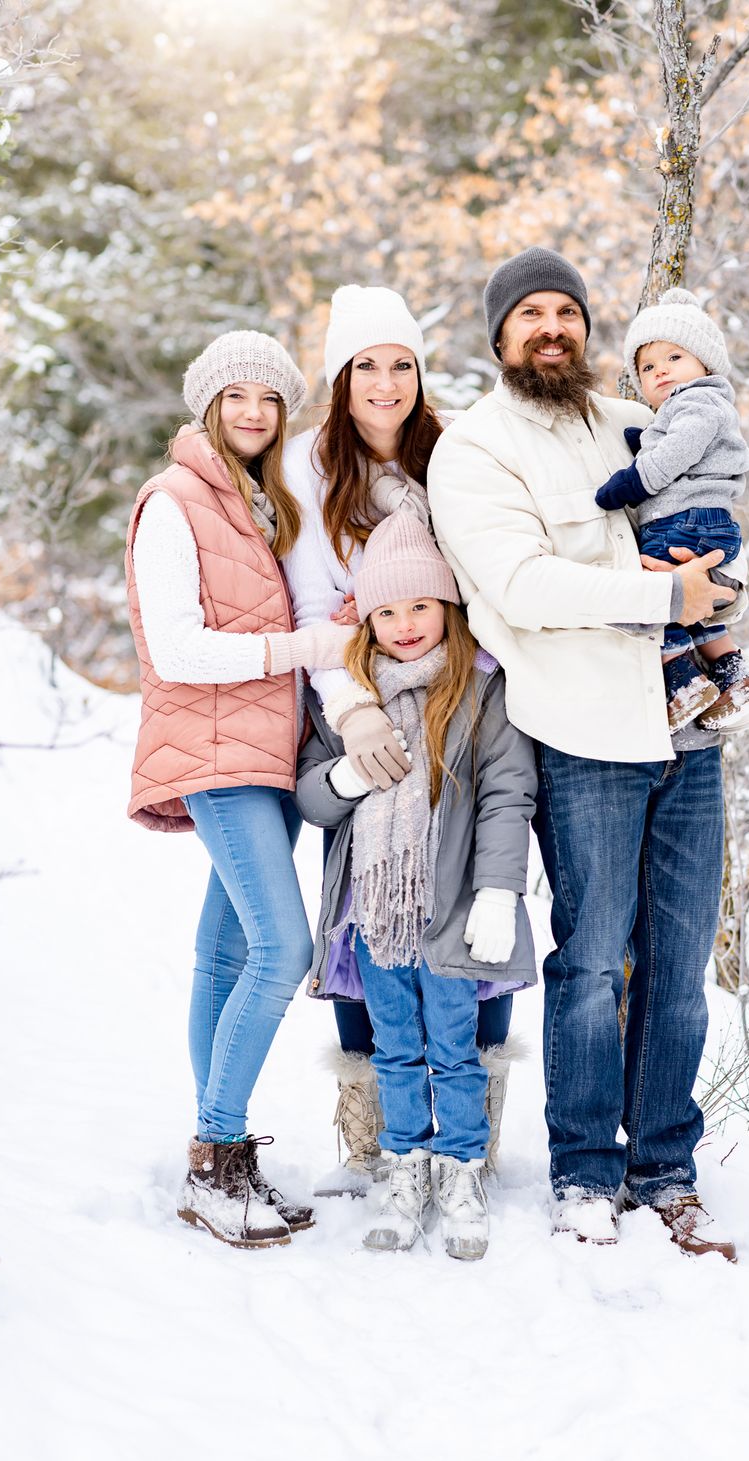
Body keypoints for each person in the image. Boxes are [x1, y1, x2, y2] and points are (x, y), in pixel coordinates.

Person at [428, 247, 749, 1254]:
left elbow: (713, 505)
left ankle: (665, 1166)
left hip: (684, 730)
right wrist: (661, 596)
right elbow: (521, 584)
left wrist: (718, 591)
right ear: (499, 337)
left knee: (677, 965)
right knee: (590, 961)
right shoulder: (477, 447)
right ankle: (584, 1173)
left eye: (567, 312)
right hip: (582, 733)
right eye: (529, 314)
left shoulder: (633, 422)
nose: (551, 327)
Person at [282, 286, 522, 1191]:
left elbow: (485, 571)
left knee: (469, 903)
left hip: (462, 689)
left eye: (402, 364)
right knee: (365, 918)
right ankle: (379, 1142)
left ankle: (470, 1142)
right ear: (341, 378)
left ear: (420, 373)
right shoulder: (311, 466)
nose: (385, 382)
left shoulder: (452, 454)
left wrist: (476, 673)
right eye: (367, 365)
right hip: (358, 692)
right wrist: (351, 709)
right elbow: (313, 604)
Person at [126, 331, 348, 1249]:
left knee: (224, 955)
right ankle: (213, 1153)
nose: (255, 412)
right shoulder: (174, 501)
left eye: (270, 399)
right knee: (281, 944)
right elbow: (176, 646)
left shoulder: (262, 504)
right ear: (208, 405)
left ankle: (227, 1157)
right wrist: (304, 650)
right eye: (237, 397)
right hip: (215, 756)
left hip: (264, 754)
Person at [295, 512, 537, 1259]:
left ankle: (460, 1169)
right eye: (388, 611)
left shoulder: (482, 690)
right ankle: (404, 1169)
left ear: (448, 609)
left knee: (456, 1050)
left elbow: (507, 792)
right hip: (374, 915)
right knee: (396, 1049)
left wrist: (499, 891)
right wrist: (338, 774)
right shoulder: (350, 700)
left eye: (420, 607)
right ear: (367, 620)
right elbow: (310, 796)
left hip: (456, 908)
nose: (404, 624)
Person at [593, 287, 749, 732]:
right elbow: (673, 441)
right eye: (648, 366)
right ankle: (733, 674)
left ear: (705, 364)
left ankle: (681, 683)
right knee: (696, 606)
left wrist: (631, 482)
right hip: (701, 522)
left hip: (685, 521)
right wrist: (643, 439)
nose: (660, 371)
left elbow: (678, 450)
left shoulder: (699, 401)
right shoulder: (689, 408)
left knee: (647, 596)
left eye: (675, 358)